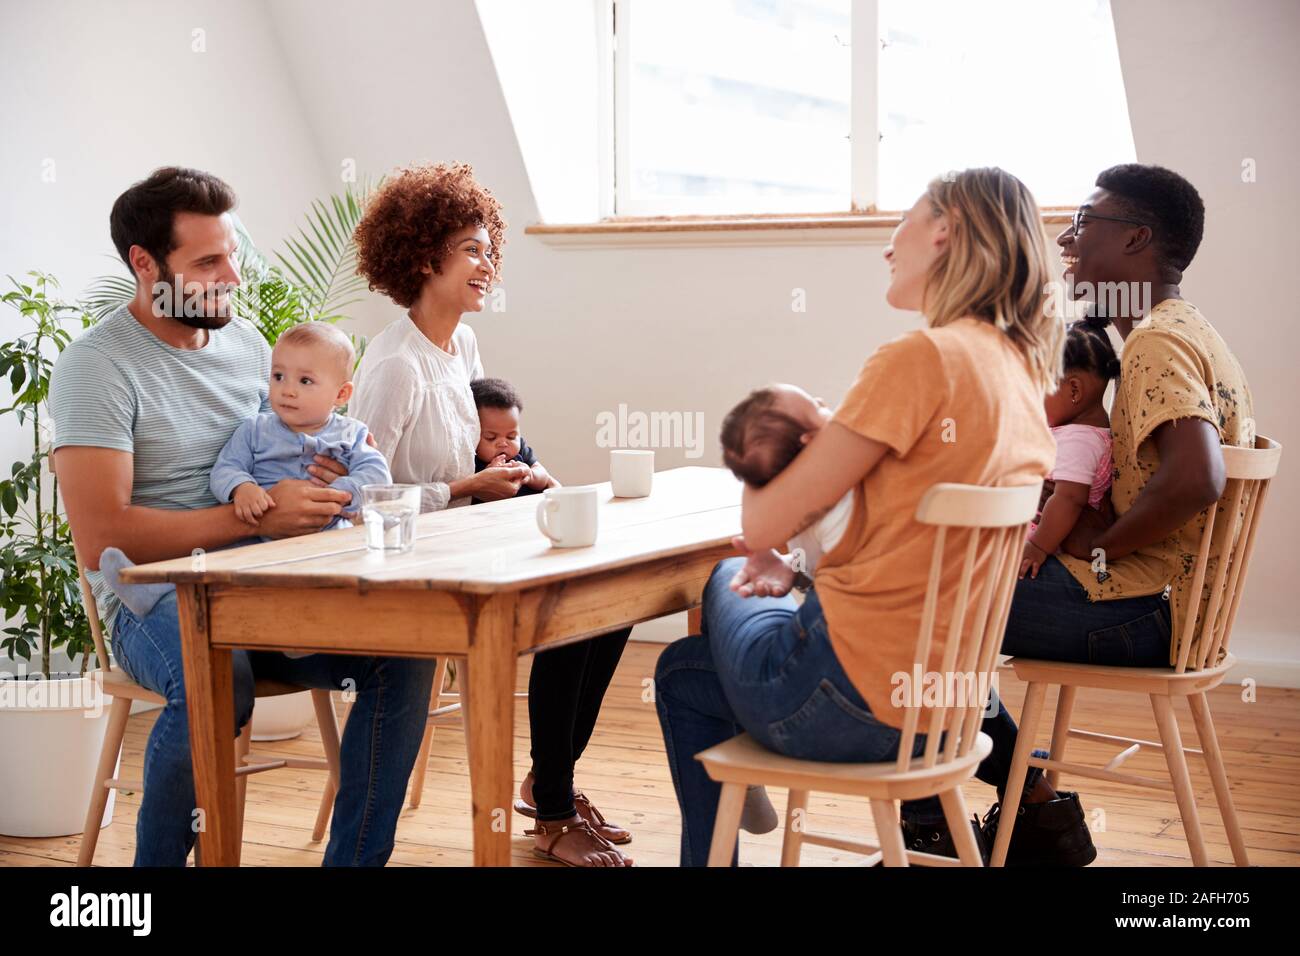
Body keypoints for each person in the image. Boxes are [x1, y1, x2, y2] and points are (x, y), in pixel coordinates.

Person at [654, 167, 1070, 867]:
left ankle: (721, 831)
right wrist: (798, 568)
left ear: (946, 231)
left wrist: (770, 443)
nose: (889, 244)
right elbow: (890, 534)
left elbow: (760, 527)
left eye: (904, 219)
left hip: (847, 705)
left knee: (726, 573)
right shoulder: (1021, 377)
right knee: (684, 670)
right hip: (951, 712)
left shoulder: (922, 359)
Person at [50, 167, 436, 866]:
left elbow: (282, 452)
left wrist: (335, 472)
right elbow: (103, 536)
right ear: (145, 264)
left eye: (231, 254)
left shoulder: (250, 345)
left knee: (405, 654)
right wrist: (252, 520)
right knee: (213, 674)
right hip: (153, 598)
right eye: (207, 262)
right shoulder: (97, 368)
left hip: (265, 587)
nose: (233, 275)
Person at [967, 164, 1256, 861]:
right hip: (1168, 608)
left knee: (919, 605)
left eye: (1083, 224)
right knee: (931, 604)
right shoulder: (1185, 330)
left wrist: (1100, 550)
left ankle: (955, 812)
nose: (1066, 241)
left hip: (1138, 609)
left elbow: (1197, 476)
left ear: (1138, 238)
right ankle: (1031, 808)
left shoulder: (1157, 340)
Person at [349, 163, 634, 866]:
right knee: (569, 612)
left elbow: (482, 446)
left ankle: (549, 785)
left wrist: (529, 472)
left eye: (489, 250)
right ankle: (555, 808)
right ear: (424, 256)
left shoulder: (462, 346)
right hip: (410, 564)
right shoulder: (394, 366)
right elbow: (362, 506)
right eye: (472, 250)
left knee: (609, 599)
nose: (488, 266)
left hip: (468, 542)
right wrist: (467, 489)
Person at [100, 321, 390, 619]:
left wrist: (341, 491)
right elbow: (226, 467)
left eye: (305, 381)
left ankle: (301, 637)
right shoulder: (255, 429)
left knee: (352, 575)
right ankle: (151, 590)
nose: (287, 390)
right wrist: (243, 488)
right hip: (257, 537)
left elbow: (377, 474)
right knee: (212, 562)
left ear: (341, 395)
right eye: (278, 376)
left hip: (325, 541)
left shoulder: (352, 434)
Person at [1020, 317, 1119, 579]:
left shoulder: (1080, 440)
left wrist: (1038, 546)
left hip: (1048, 541)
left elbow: (1069, 499)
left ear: (1074, 389)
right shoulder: (1077, 432)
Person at [467, 376, 558, 505]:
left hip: (530, 511)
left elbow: (544, 476)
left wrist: (530, 474)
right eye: (491, 438)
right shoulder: (471, 462)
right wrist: (488, 476)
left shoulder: (520, 450)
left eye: (511, 436)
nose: (503, 443)